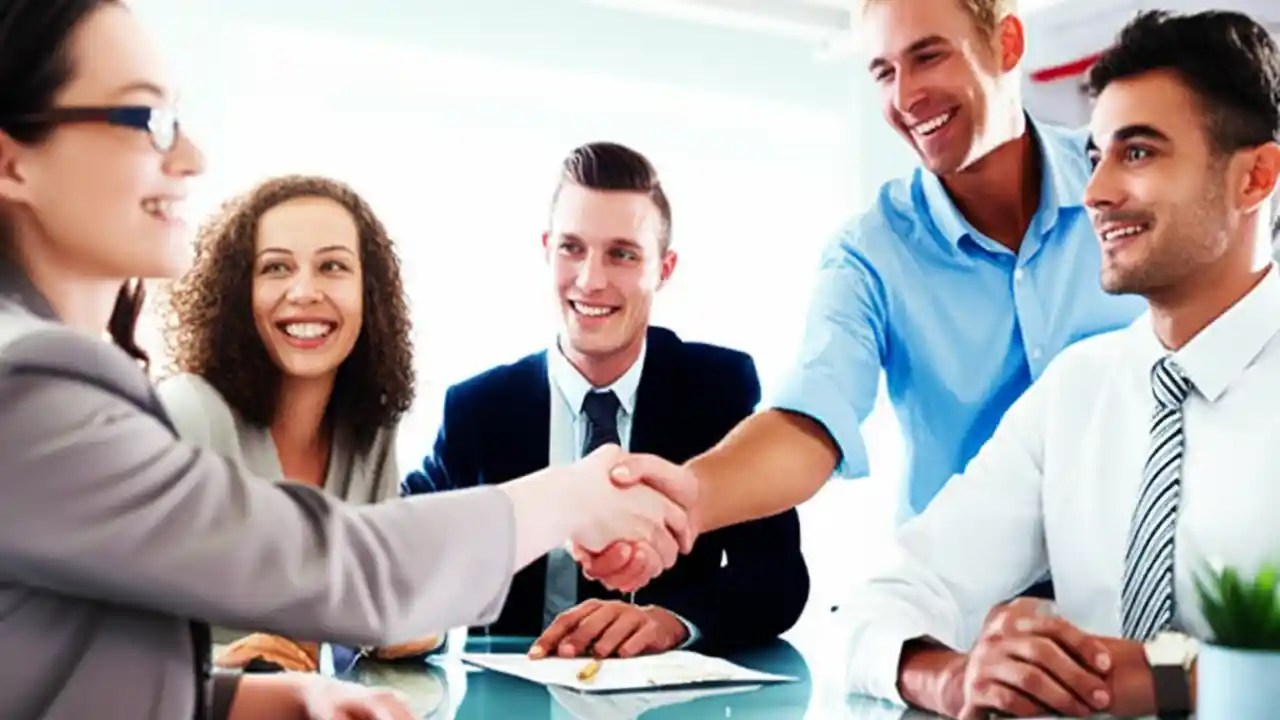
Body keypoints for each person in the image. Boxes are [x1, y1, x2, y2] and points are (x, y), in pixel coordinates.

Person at [0, 2, 693, 718]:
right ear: (11, 162)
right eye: (146, 119)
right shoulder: (26, 389)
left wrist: (278, 702)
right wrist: (575, 495)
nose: (192, 158)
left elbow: (69, 669)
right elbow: (338, 566)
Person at [576, 0, 1148, 594]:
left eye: (928, 56)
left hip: (1145, 598)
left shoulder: (1124, 187)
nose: (906, 97)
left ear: (1006, 44)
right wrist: (686, 498)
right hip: (972, 618)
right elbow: (812, 418)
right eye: (883, 72)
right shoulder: (868, 253)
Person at [834, 9, 1280, 718]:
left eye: (1138, 153)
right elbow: (885, 601)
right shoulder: (1075, 391)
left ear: (1255, 177)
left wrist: (1165, 679)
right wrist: (955, 675)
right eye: (1098, 153)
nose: (1096, 191)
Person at [403, 142, 809, 659]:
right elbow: (405, 544)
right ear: (547, 249)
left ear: (664, 268)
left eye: (622, 254)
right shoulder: (480, 409)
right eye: (572, 248)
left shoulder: (717, 389)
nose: (591, 280)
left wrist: (670, 622)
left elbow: (778, 579)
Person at [158, 174, 436, 670]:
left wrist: (406, 622)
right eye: (276, 268)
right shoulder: (185, 416)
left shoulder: (371, 431)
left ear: (368, 294)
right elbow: (90, 629)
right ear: (237, 292)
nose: (304, 291)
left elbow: (376, 601)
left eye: (332, 266)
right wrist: (220, 665)